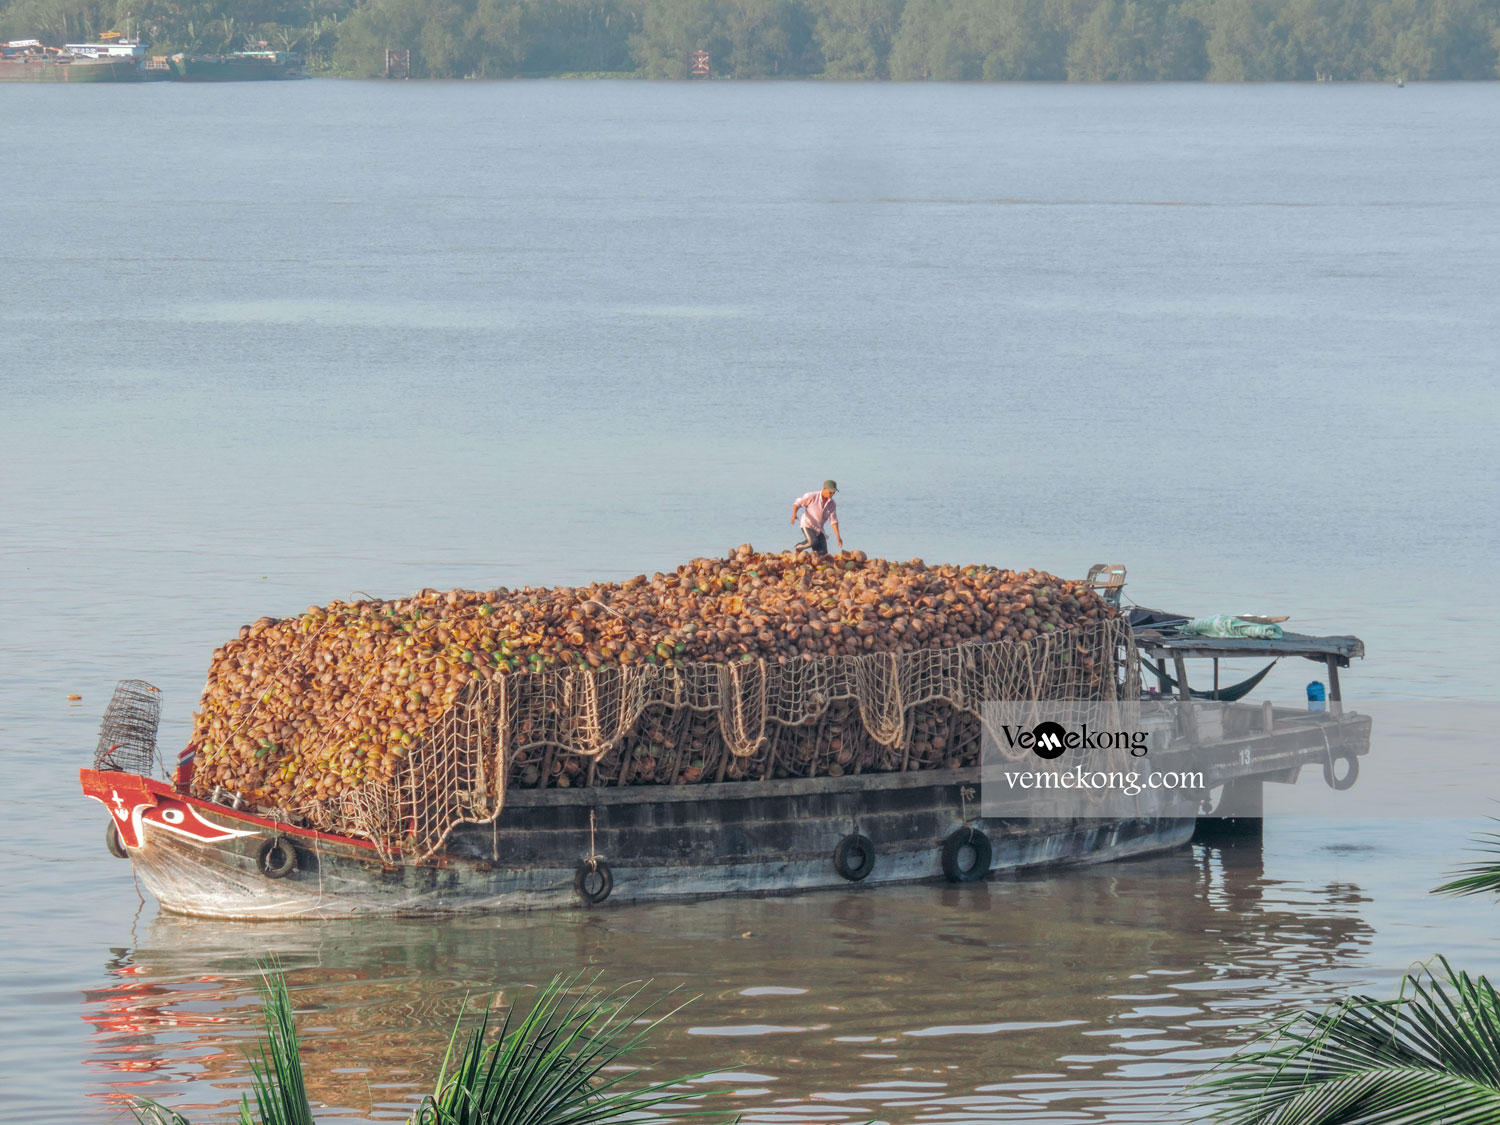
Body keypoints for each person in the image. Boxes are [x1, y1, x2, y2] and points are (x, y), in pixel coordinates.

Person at [791, 480, 842, 555]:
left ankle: (816, 559)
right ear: (824, 489)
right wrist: (794, 514)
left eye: (833, 492)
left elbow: (833, 521)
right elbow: (797, 503)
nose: (832, 494)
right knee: (812, 541)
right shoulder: (811, 496)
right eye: (830, 492)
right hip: (807, 524)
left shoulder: (832, 504)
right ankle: (798, 547)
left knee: (823, 553)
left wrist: (838, 536)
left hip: (819, 529)